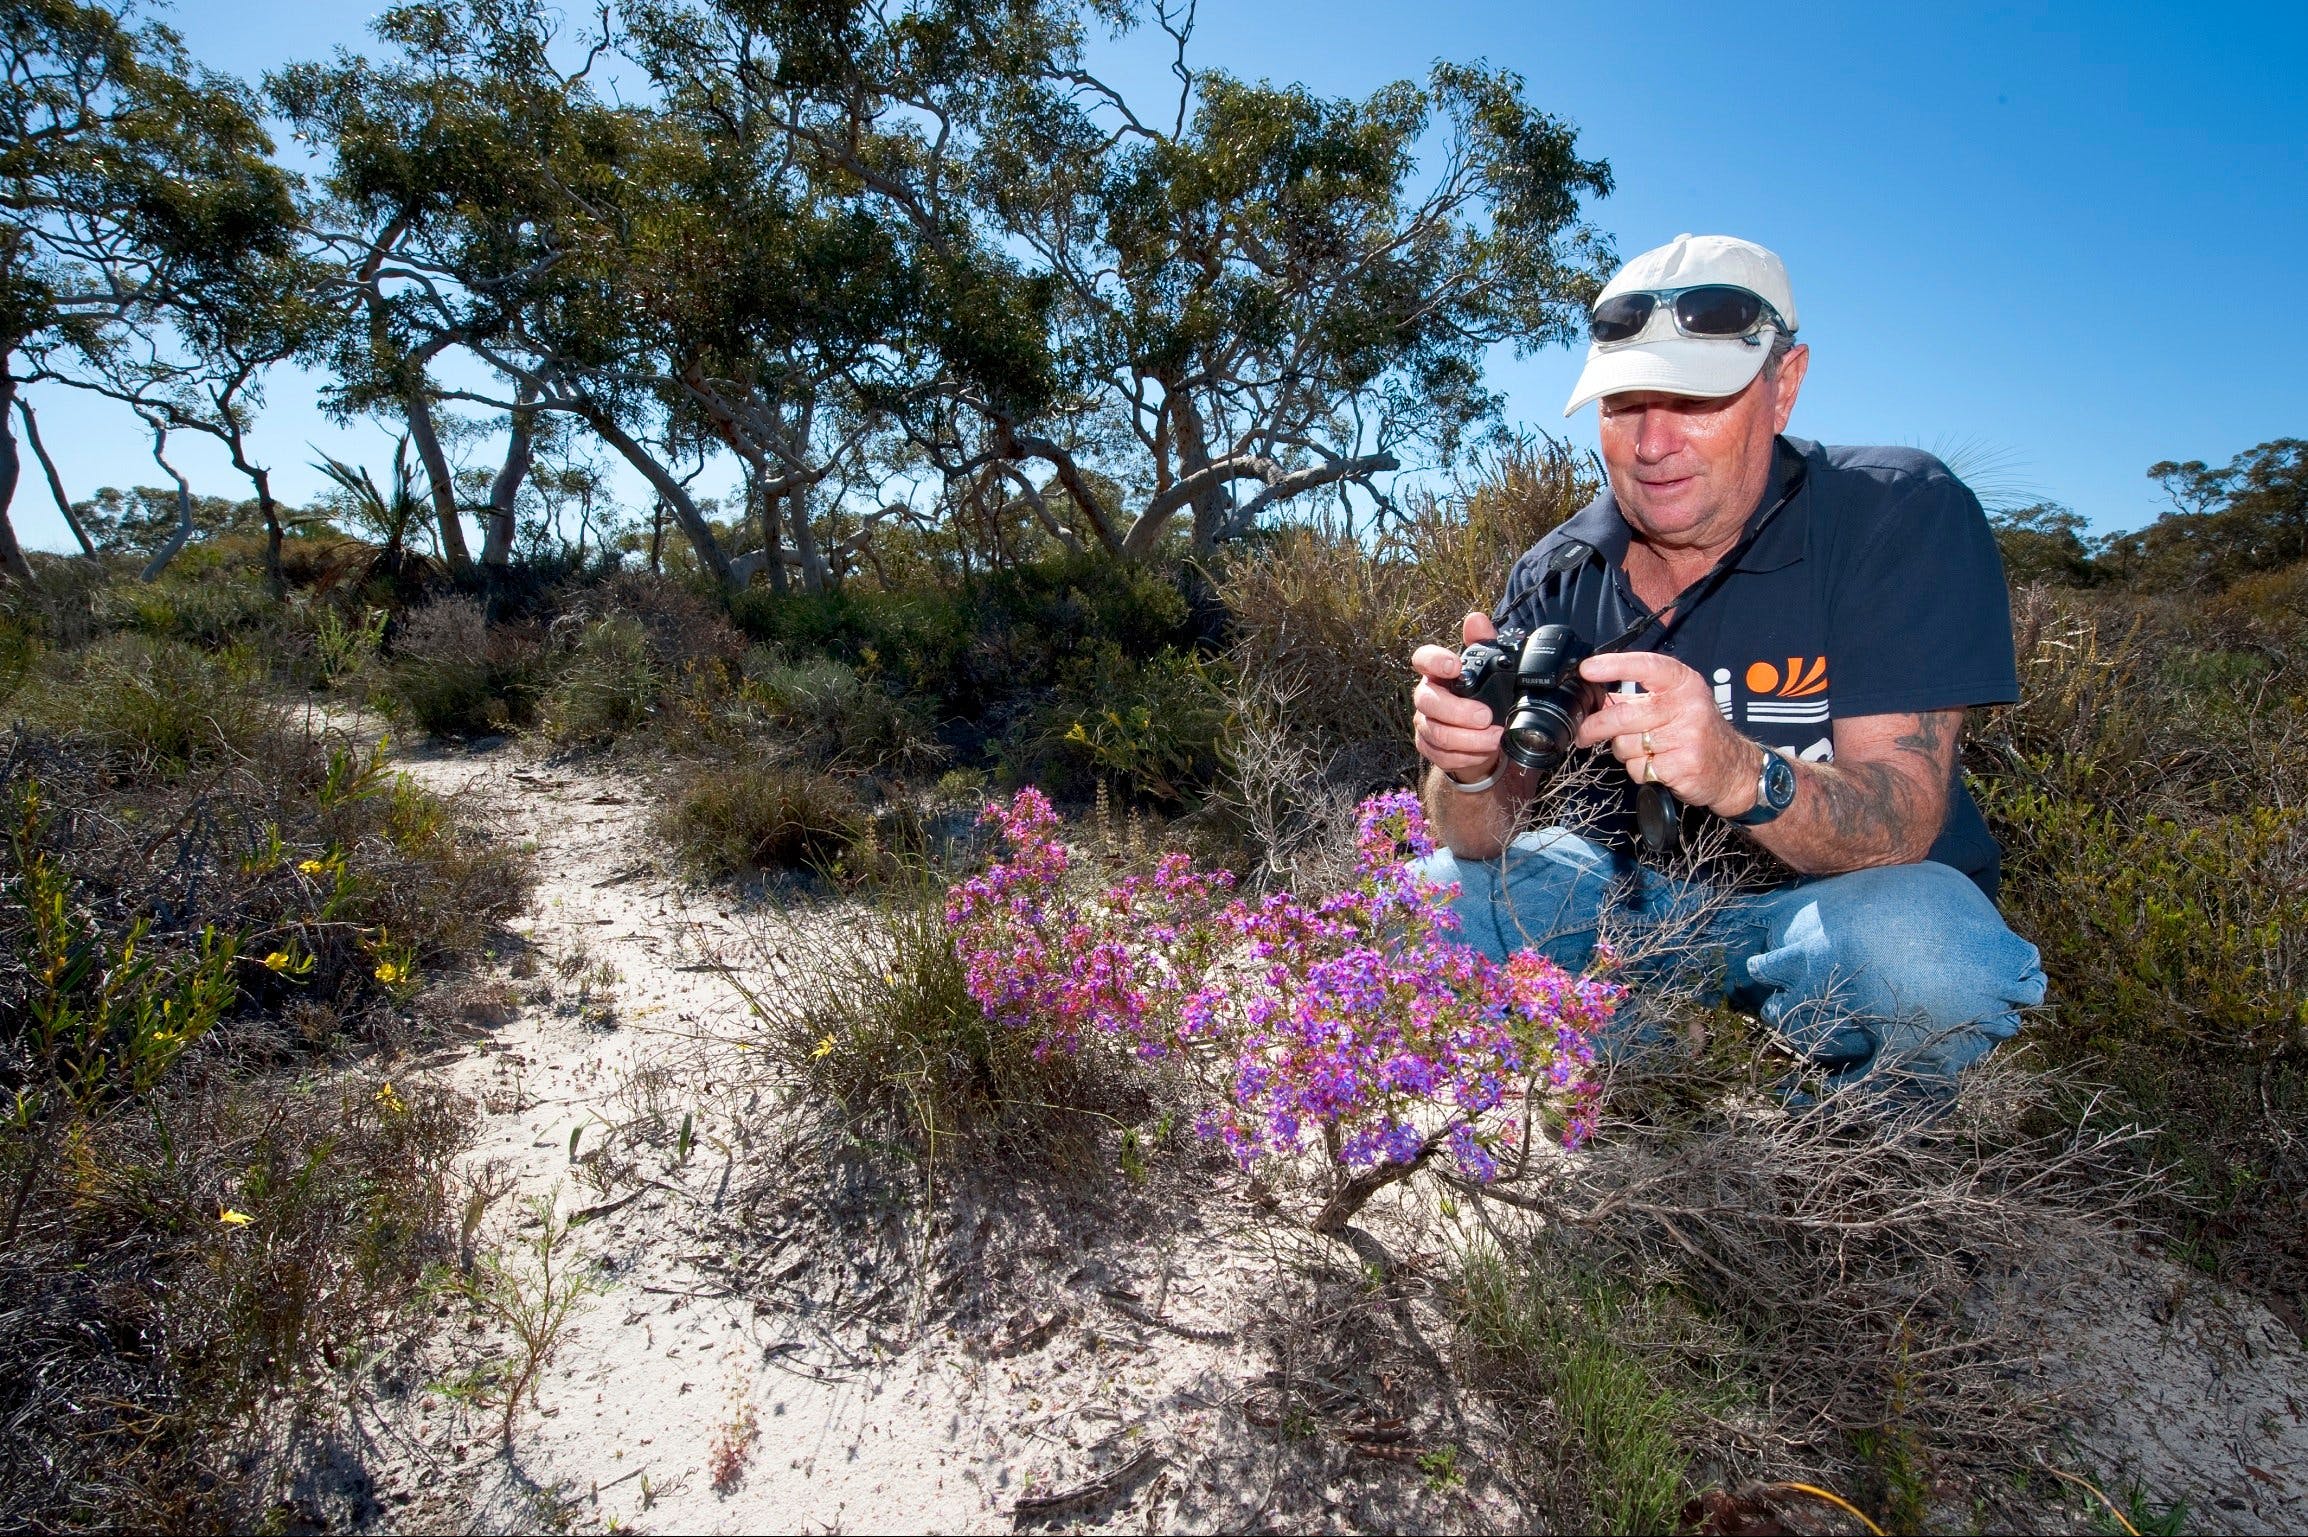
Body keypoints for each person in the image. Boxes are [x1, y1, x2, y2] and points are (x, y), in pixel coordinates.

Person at [1408, 233, 2045, 1105]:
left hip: (1826, 910)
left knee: (1932, 963)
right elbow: (1473, 839)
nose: (1653, 442)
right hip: (1625, 900)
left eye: (1697, 401)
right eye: (1624, 404)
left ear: (1784, 388)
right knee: (1431, 899)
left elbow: (1904, 822)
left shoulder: (1896, 517)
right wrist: (1471, 767)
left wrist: (1738, 770)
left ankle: (1821, 1146)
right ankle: (1651, 1058)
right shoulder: (1557, 573)